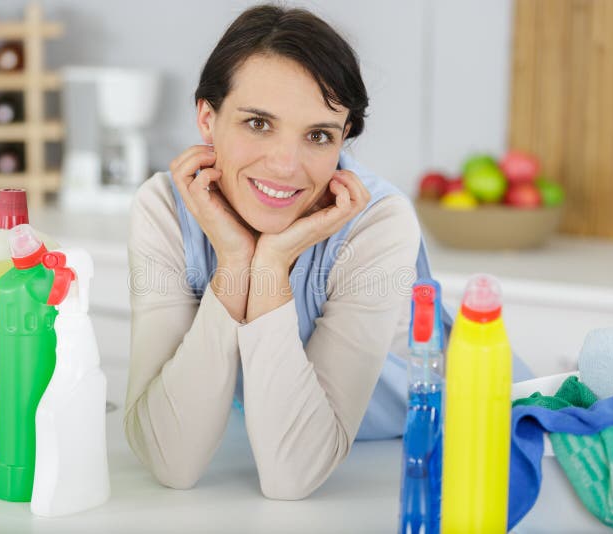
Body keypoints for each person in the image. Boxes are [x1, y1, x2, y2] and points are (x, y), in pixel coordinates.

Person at [125, 4, 527, 501]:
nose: (286, 165)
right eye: (257, 124)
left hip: (432, 437)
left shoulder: (377, 224)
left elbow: (292, 477)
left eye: (318, 136)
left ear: (344, 140)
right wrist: (234, 263)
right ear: (207, 118)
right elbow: (171, 460)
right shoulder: (165, 208)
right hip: (273, 428)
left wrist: (268, 267)